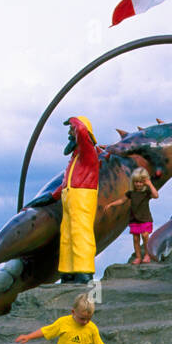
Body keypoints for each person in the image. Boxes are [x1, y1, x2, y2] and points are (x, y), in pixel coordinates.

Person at [52, 115, 99, 284]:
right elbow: (67, 181)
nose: (70, 133)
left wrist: (74, 121)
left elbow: (82, 131)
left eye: (72, 130)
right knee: (67, 234)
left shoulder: (88, 152)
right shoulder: (76, 157)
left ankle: (84, 271)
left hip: (82, 196)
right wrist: (52, 196)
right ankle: (68, 270)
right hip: (70, 196)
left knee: (80, 232)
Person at [105, 167, 159, 263]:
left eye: (141, 182)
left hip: (145, 218)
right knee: (135, 238)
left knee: (145, 236)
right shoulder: (131, 193)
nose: (138, 184)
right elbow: (122, 200)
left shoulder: (146, 192)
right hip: (134, 219)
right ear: (133, 182)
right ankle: (138, 257)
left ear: (144, 182)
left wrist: (150, 184)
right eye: (136, 182)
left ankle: (147, 254)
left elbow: (156, 195)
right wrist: (111, 204)